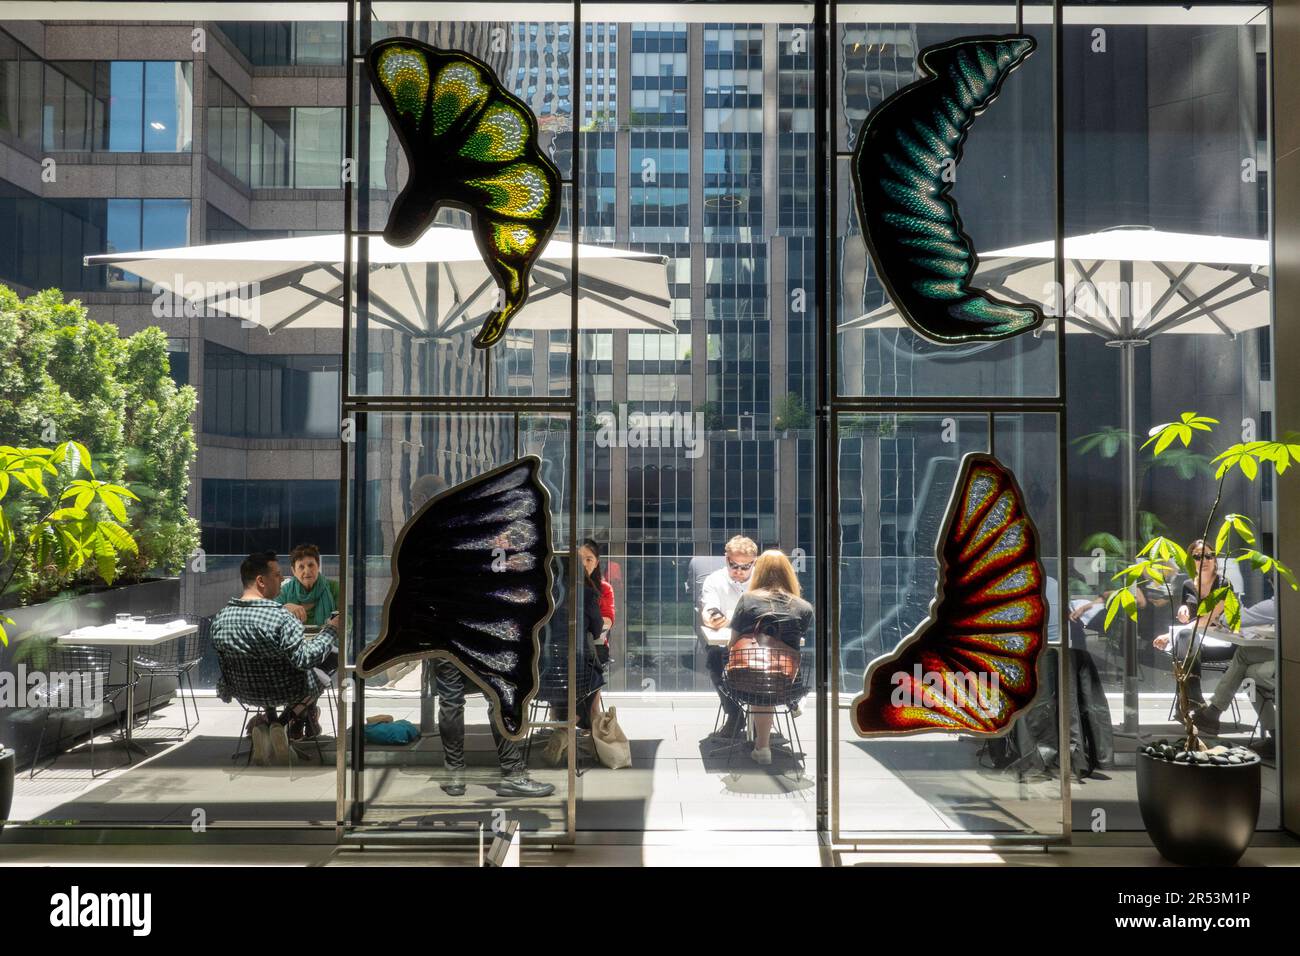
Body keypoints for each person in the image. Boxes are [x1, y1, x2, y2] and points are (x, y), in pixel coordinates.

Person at [407, 470, 554, 799]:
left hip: (448, 630)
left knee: (453, 701)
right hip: (477, 627)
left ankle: (457, 773)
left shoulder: (422, 534)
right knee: (496, 695)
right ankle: (511, 771)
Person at [211, 551, 339, 765]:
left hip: (243, 691)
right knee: (329, 664)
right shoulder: (281, 617)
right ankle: (280, 724)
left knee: (265, 668)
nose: (283, 579)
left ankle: (269, 726)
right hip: (287, 691)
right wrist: (330, 630)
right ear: (261, 581)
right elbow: (305, 659)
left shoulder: (221, 617)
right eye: (278, 575)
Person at [726, 549, 814, 766]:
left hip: (744, 678)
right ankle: (794, 702)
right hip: (788, 681)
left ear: (759, 572)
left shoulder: (748, 600)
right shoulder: (804, 607)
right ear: (789, 573)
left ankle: (762, 745)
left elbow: (732, 643)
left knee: (759, 680)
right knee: (771, 677)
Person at [1152, 540, 1236, 704]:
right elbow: (1188, 616)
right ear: (1192, 561)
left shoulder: (1223, 585)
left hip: (1220, 641)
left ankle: (1187, 700)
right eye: (1197, 557)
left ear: (1215, 559)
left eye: (1208, 556)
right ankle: (1192, 696)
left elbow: (1207, 619)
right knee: (1186, 638)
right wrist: (1183, 610)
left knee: (1184, 639)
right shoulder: (1187, 584)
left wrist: (1169, 635)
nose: (1203, 560)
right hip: (1193, 642)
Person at [1193, 594, 1277, 755]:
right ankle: (1276, 737)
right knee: (1249, 677)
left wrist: (1222, 616)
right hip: (1286, 655)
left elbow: (1238, 618)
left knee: (1243, 655)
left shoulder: (1277, 605)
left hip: (1288, 661)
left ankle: (1215, 710)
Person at [698, 535, 759, 739]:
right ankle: (735, 714)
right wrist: (713, 616)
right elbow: (710, 612)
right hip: (727, 645)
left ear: (755, 562)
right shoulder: (715, 579)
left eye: (745, 566)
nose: (739, 572)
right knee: (714, 658)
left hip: (760, 644)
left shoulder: (763, 580)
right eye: (734, 565)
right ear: (726, 560)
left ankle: (760, 714)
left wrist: (730, 617)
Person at [276, 543, 339, 627]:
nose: (307, 571)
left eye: (311, 565)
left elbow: (348, 620)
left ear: (318, 566)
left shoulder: (334, 587)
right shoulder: (284, 591)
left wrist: (338, 621)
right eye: (301, 567)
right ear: (293, 571)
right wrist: (284, 609)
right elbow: (270, 619)